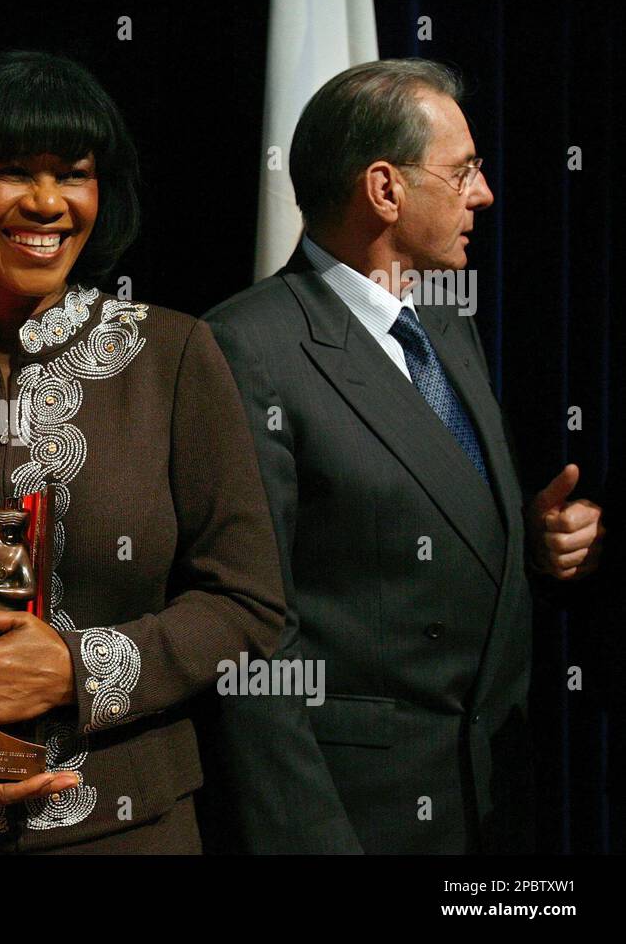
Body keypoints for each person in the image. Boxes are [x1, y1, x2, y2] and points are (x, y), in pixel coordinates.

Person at [0, 50, 285, 853]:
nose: (46, 202)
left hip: (134, 829)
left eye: (73, 173)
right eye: (10, 172)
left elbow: (249, 605)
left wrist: (81, 668)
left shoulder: (173, 357)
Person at [204, 58, 605, 853]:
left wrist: (529, 544)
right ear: (385, 190)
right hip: (362, 818)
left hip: (489, 800)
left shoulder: (445, 320)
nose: (483, 195)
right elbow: (251, 643)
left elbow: (422, 528)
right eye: (463, 173)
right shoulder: (245, 348)